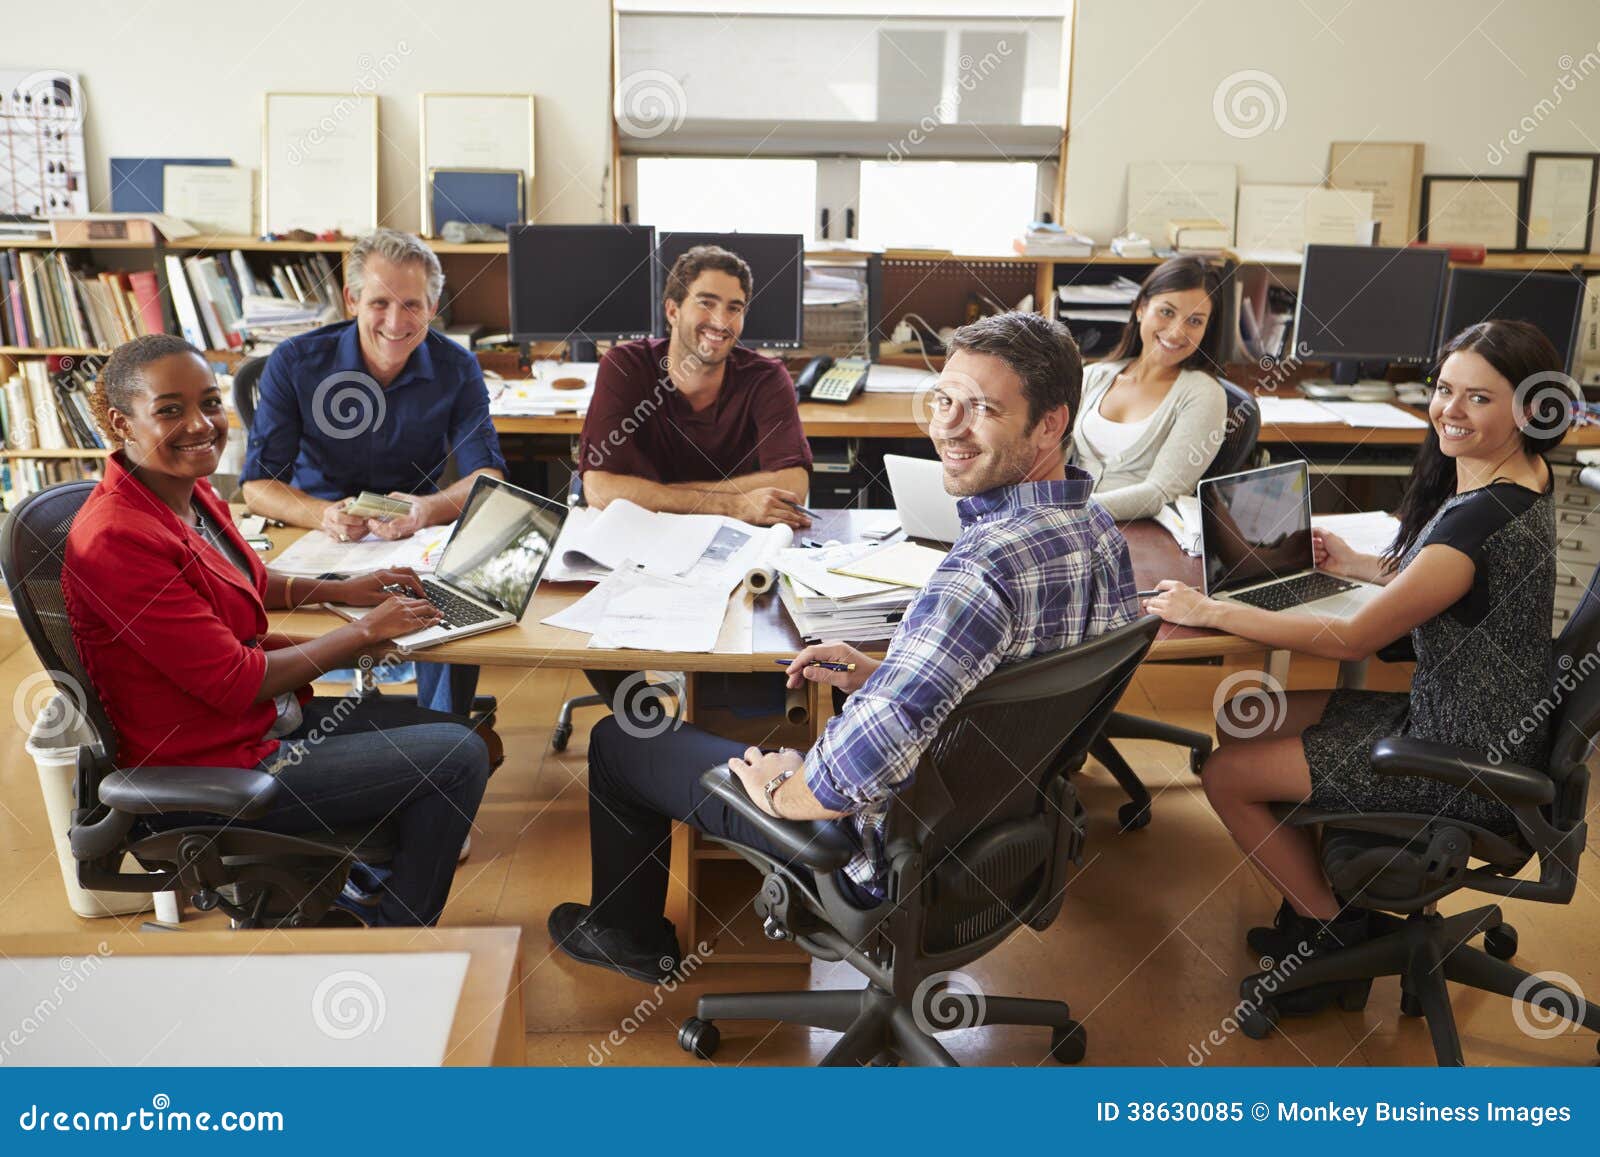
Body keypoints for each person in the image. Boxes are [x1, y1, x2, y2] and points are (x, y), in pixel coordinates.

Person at [548, 312, 1139, 983]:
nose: (947, 425)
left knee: (622, 741)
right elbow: (1022, 690)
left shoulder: (982, 568)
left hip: (880, 853)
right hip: (1000, 837)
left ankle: (623, 935)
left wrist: (785, 789)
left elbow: (856, 769)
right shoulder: (1097, 529)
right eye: (944, 400)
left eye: (982, 409)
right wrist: (889, 674)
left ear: (1050, 424)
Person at [1144, 320, 1566, 1012]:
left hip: (1459, 760)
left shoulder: (1479, 519)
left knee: (1225, 772)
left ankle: (1330, 933)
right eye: (1444, 389)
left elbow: (1350, 640)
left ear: (1528, 409)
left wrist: (1213, 610)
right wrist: (1358, 563)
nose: (1448, 411)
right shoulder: (1525, 476)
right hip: (1477, 723)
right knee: (1244, 719)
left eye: (1478, 399)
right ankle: (1330, 897)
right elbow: (1451, 582)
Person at [65, 334, 491, 927]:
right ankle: (393, 935)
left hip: (252, 724)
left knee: (444, 728)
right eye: (170, 409)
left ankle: (360, 896)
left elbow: (247, 579)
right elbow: (237, 681)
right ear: (121, 422)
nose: (200, 424)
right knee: (458, 756)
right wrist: (364, 633)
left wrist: (342, 592)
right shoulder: (119, 536)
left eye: (210, 402)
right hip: (213, 763)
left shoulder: (187, 492)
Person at [240, 228, 507, 716]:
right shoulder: (295, 363)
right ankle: (289, 734)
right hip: (316, 539)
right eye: (380, 303)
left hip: (414, 534)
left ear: (433, 305)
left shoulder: (457, 366)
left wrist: (426, 508)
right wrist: (323, 515)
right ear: (352, 299)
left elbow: (488, 480)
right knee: (251, 609)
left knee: (453, 599)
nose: (395, 321)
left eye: (413, 304)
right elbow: (257, 487)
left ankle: (443, 736)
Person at [576, 244, 816, 715]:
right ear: (672, 310)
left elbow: (793, 483)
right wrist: (734, 502)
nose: (721, 321)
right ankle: (647, 733)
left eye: (734, 307)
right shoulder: (626, 366)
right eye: (706, 302)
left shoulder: (765, 378)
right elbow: (600, 488)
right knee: (601, 631)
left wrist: (651, 496)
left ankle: (724, 752)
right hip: (640, 546)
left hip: (732, 554)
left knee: (746, 692)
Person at [1071, 255, 1229, 520]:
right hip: (1068, 528)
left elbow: (1159, 493)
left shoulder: (1204, 395)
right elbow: (1053, 456)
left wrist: (1069, 512)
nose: (1177, 332)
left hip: (1140, 535)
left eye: (1195, 321)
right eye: (1167, 312)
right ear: (1141, 307)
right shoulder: (1093, 376)